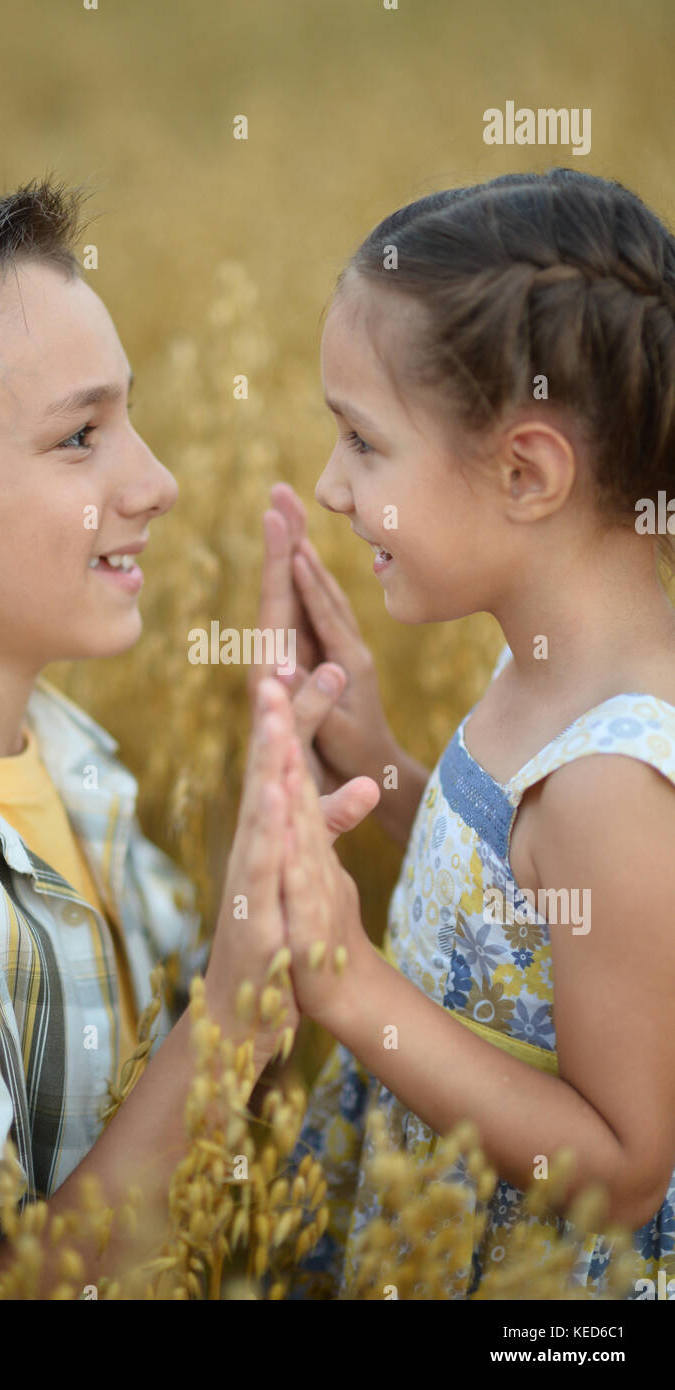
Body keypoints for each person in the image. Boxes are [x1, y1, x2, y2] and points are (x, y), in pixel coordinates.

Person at [0, 178, 378, 1298]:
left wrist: (290, 839)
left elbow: (211, 1145)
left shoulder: (67, 757)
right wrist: (228, 1013)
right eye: (79, 436)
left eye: (129, 420)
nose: (156, 482)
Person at [262, 168, 675, 1299]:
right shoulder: (545, 665)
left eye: (362, 441)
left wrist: (347, 984)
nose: (328, 488)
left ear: (525, 472)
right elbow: (516, 914)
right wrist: (383, 767)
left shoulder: (613, 784)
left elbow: (626, 1169)